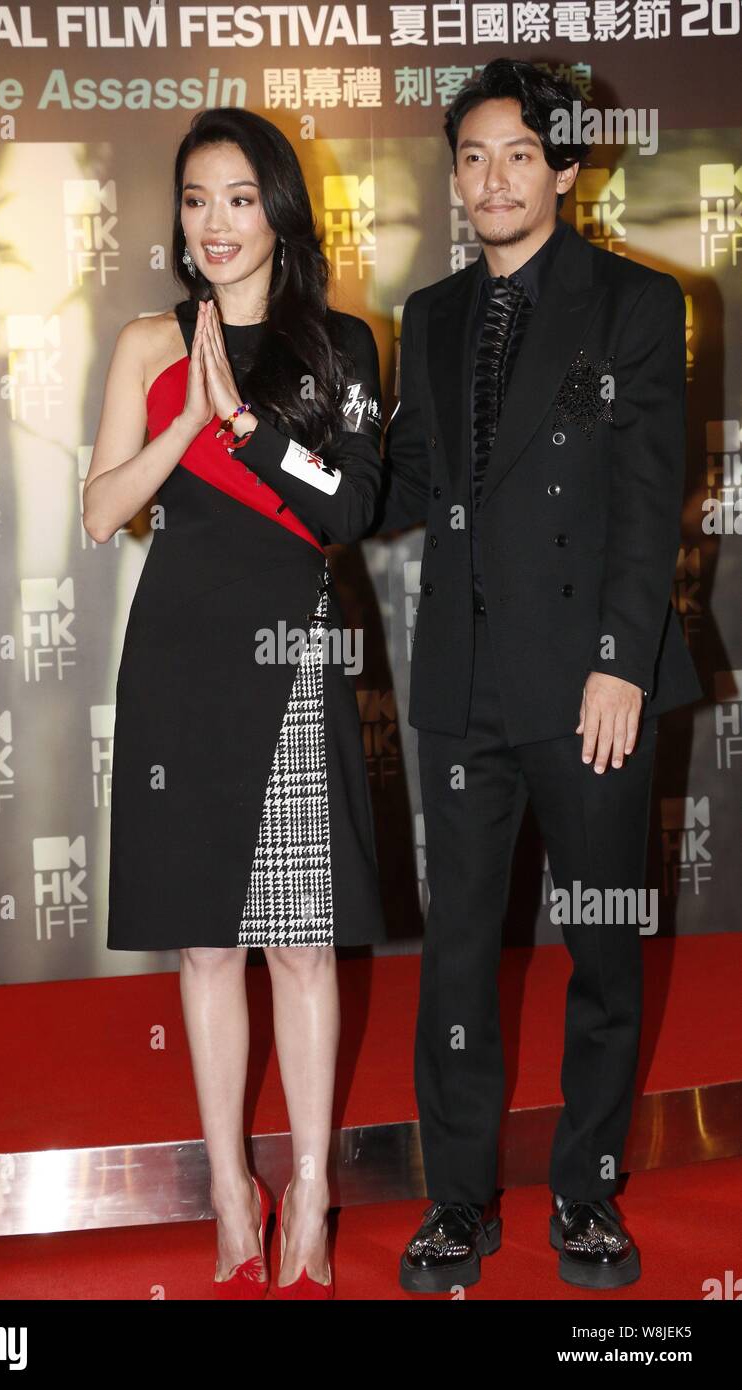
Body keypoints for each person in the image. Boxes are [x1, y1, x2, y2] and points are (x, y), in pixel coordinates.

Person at [369, 58, 701, 1291]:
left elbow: (642, 496)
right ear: (453, 175)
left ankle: (588, 1195)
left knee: (603, 948)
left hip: (586, 689)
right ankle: (456, 1203)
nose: (492, 178)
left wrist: (621, 661)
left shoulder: (631, 302)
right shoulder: (434, 317)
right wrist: (283, 467)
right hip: (461, 688)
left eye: (518, 154)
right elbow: (403, 484)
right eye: (471, 156)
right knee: (457, 956)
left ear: (564, 167)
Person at [83, 107, 387, 1299]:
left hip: (291, 650)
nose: (215, 223)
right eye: (195, 200)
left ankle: (309, 1184)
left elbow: (347, 508)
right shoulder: (142, 344)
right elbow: (105, 509)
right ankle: (227, 1189)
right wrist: (188, 423)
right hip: (178, 656)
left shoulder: (344, 346)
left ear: (280, 212)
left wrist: (250, 427)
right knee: (207, 944)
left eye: (239, 199)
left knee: (302, 942)